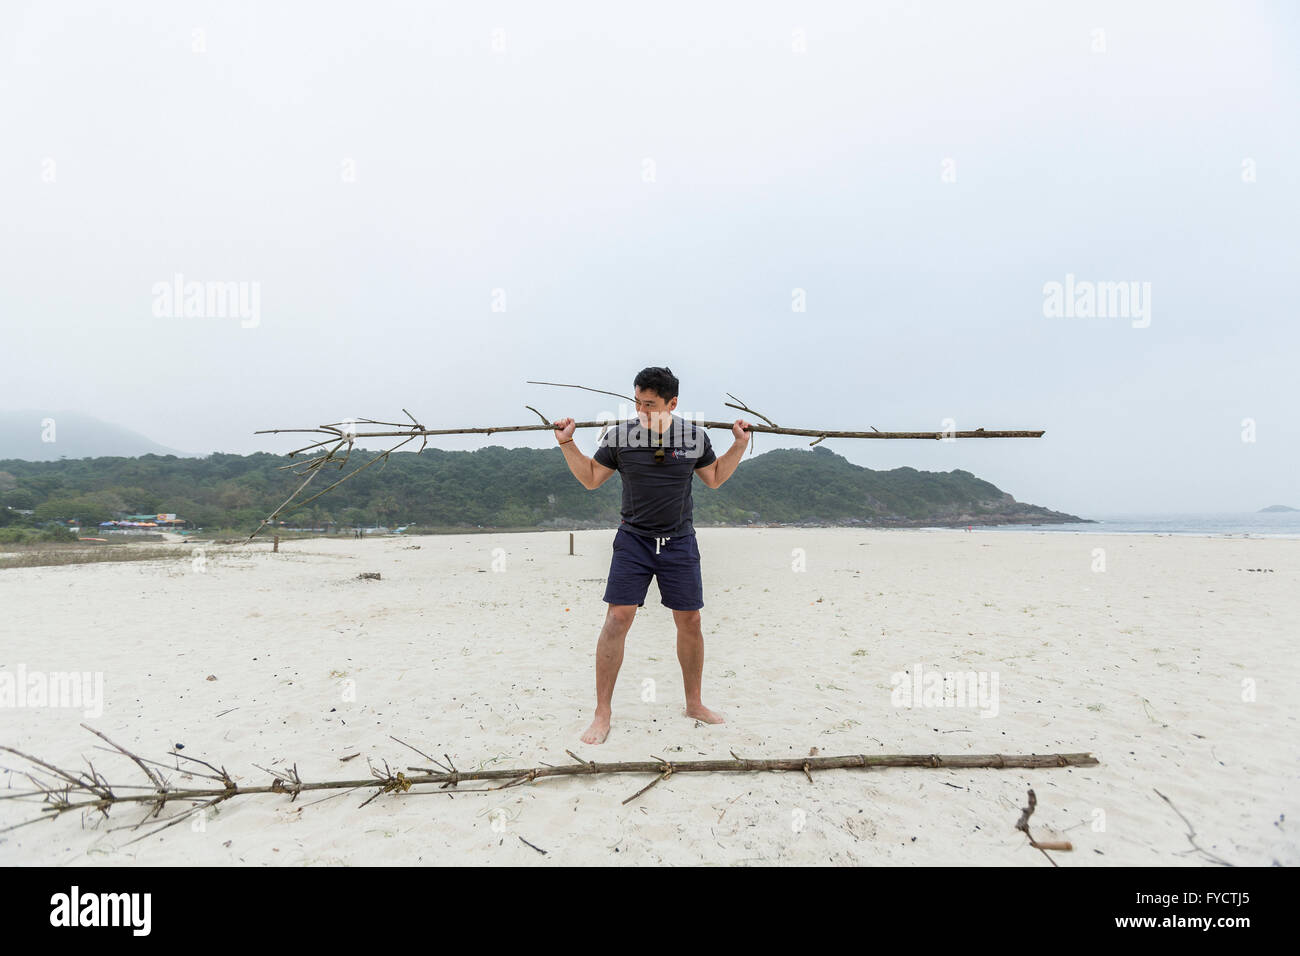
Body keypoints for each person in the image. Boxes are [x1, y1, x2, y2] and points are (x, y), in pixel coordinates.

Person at [553, 366, 751, 744]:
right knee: (617, 618)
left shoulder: (693, 438)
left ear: (672, 403)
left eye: (650, 404)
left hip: (678, 541)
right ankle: (602, 713)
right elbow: (592, 478)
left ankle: (694, 703)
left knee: (689, 621)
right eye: (637, 402)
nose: (641, 411)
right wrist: (566, 443)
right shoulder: (621, 436)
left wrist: (739, 444)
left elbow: (714, 478)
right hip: (633, 540)